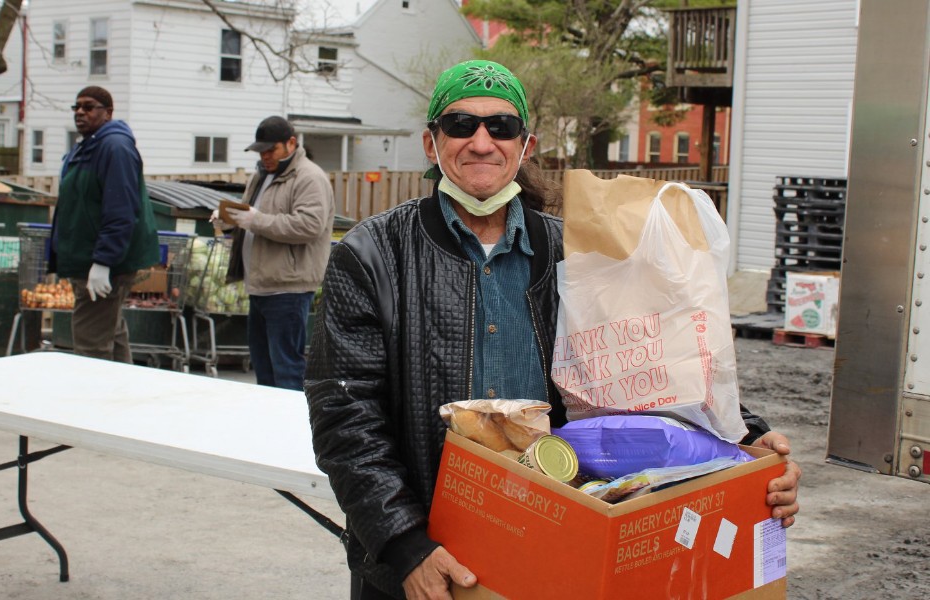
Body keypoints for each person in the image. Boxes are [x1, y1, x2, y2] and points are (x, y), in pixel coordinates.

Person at [305, 60, 802, 600]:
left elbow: (656, 362)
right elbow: (345, 416)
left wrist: (746, 438)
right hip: (423, 558)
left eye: (500, 126)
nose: (480, 141)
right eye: (459, 124)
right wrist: (404, 547)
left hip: (555, 542)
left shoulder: (578, 254)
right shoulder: (374, 254)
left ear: (525, 144)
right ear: (431, 143)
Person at [210, 116, 334, 390]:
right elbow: (248, 216)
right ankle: (267, 425)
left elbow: (310, 225)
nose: (265, 156)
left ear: (291, 143)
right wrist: (227, 220)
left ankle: (290, 428)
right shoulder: (262, 176)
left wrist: (254, 220)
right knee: (264, 369)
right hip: (262, 285)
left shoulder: (310, 177)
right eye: (261, 151)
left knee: (286, 368)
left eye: (270, 150)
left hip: (288, 288)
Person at [51, 86, 159, 363]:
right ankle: (127, 395)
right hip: (90, 258)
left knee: (91, 347)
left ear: (108, 113)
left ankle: (92, 401)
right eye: (76, 107)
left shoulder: (115, 147)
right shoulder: (88, 147)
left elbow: (121, 208)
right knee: (110, 332)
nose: (80, 112)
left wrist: (103, 262)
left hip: (104, 262)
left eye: (89, 107)